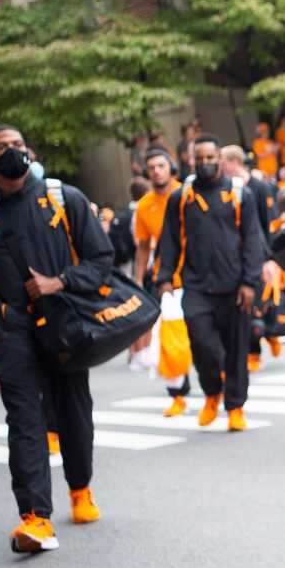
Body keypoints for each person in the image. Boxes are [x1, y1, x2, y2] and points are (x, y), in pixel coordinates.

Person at [0, 125, 115, 552]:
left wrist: (59, 282)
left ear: (30, 151)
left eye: (18, 146)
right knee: (24, 422)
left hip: (64, 326)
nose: (11, 153)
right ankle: (35, 518)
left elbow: (102, 260)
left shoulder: (65, 199)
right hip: (12, 333)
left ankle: (80, 490)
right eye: (1, 149)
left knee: (74, 411)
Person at [155, 135, 265, 431]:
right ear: (191, 160)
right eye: (199, 158)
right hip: (196, 287)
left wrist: (249, 282)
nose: (205, 162)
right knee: (202, 344)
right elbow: (169, 241)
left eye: (210, 157)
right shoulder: (181, 198)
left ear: (219, 159)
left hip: (235, 287)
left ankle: (236, 407)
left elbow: (254, 240)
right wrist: (164, 277)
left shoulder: (242, 194)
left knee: (237, 349)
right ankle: (212, 394)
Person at [132, 148, 190, 415]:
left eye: (161, 165)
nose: (156, 171)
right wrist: (137, 278)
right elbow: (143, 246)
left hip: (197, 277)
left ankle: (218, 386)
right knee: (168, 339)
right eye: (152, 167)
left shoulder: (189, 194)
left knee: (201, 336)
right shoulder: (144, 206)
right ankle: (177, 395)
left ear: (171, 167)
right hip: (165, 280)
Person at [219, 144, 279, 371]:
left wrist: (271, 258)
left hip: (260, 254)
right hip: (236, 257)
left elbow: (269, 224)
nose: (220, 167)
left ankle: (260, 345)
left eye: (223, 162)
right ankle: (253, 347)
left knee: (259, 303)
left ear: (233, 161)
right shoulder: (230, 189)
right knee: (245, 305)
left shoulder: (259, 187)